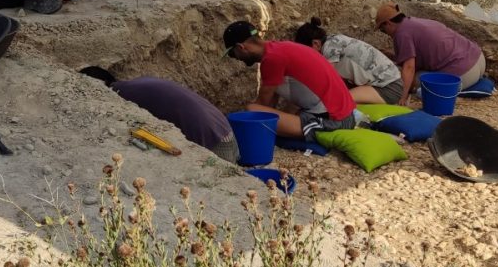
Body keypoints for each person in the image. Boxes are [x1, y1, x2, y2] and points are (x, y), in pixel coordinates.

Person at [223, 21, 357, 141]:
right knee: (280, 115)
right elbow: (270, 102)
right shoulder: (279, 49)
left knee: (251, 110)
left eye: (232, 54)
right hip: (343, 115)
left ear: (241, 47)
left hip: (337, 121)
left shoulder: (272, 59)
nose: (236, 58)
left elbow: (260, 108)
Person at [80, 67, 240, 164]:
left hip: (215, 144)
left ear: (99, 87)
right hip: (228, 135)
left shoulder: (123, 98)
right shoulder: (140, 85)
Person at [374, 3, 486, 107]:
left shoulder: (401, 33)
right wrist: (390, 55)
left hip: (464, 73)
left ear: (388, 23)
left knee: (408, 79)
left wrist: (401, 96)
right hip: (479, 59)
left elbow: (409, 67)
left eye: (382, 30)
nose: (385, 33)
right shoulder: (413, 23)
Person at [294, 17, 404, 104]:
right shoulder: (334, 39)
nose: (308, 56)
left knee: (341, 101)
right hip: (390, 79)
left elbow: (327, 80)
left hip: (389, 87)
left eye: (307, 51)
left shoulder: (329, 48)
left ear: (316, 43)